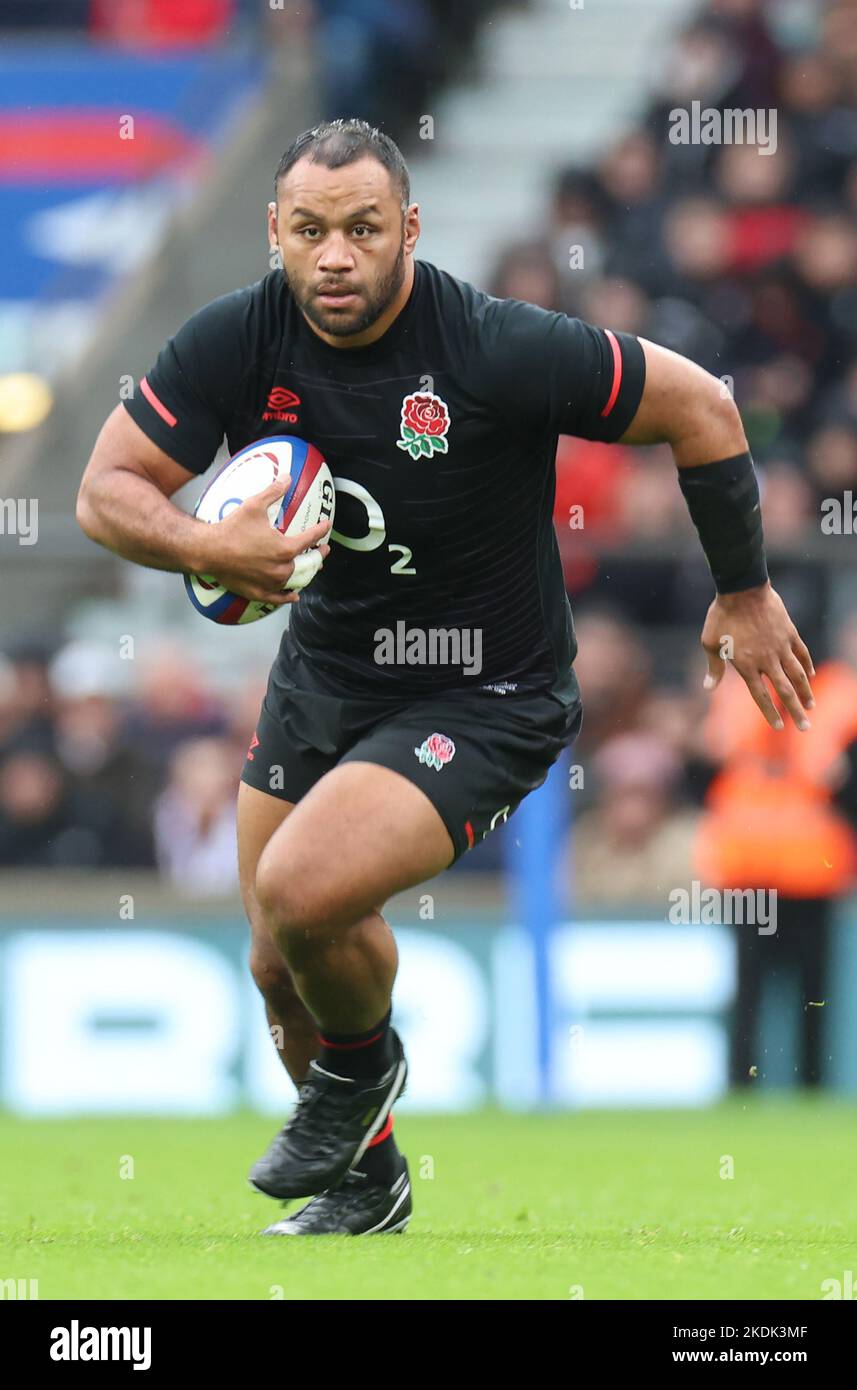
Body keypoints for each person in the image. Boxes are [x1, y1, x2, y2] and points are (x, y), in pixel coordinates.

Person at [76, 118, 815, 1236]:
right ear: (273, 230)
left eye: (363, 229)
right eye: (311, 230)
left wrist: (744, 589)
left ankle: (363, 1070)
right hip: (325, 676)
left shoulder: (491, 347)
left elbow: (703, 405)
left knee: (302, 891)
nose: (335, 255)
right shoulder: (235, 341)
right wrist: (203, 543)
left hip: (487, 691)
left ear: (407, 230)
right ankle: (370, 1185)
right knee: (279, 959)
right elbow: (104, 488)